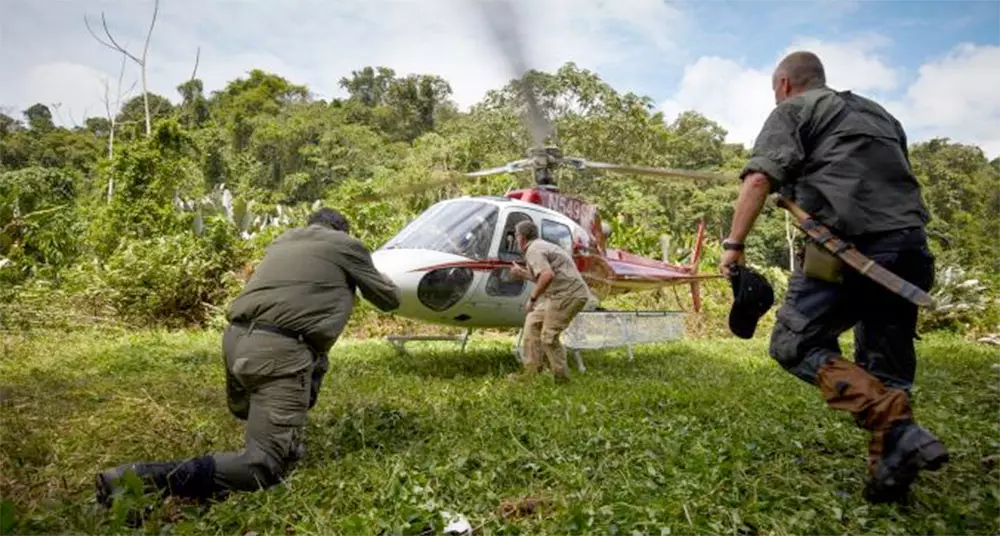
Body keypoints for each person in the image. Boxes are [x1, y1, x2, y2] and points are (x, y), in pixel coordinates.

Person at [719, 51, 948, 504]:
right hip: (908, 252)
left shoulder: (794, 110)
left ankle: (891, 422)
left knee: (795, 343)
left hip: (848, 253)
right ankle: (890, 477)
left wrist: (734, 245)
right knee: (887, 364)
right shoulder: (881, 114)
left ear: (784, 84)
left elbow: (759, 179)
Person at [94, 207, 400, 510]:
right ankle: (135, 479)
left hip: (236, 341)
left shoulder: (283, 241)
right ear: (342, 231)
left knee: (283, 394)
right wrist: (377, 275)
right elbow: (389, 299)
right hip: (278, 353)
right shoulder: (345, 245)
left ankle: (283, 438)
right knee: (263, 467)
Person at [508, 220, 590, 383]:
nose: (515, 240)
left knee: (548, 337)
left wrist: (532, 299)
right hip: (559, 294)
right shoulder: (539, 246)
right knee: (532, 322)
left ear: (522, 238)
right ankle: (532, 371)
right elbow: (541, 275)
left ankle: (562, 379)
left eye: (516, 236)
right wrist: (522, 273)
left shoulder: (534, 250)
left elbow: (547, 275)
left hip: (568, 295)